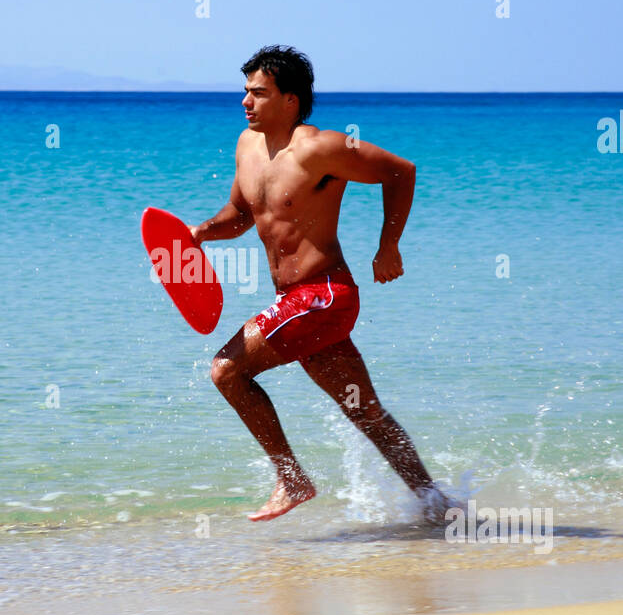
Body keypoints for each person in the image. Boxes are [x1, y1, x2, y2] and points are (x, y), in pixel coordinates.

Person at [190, 45, 451, 523]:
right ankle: (438, 507)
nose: (246, 102)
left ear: (290, 100)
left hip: (325, 295)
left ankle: (291, 477)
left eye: (258, 93)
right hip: (298, 305)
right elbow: (242, 215)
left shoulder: (320, 148)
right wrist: (202, 232)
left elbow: (400, 170)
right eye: (245, 92)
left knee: (227, 370)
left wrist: (388, 245)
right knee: (366, 413)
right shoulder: (247, 147)